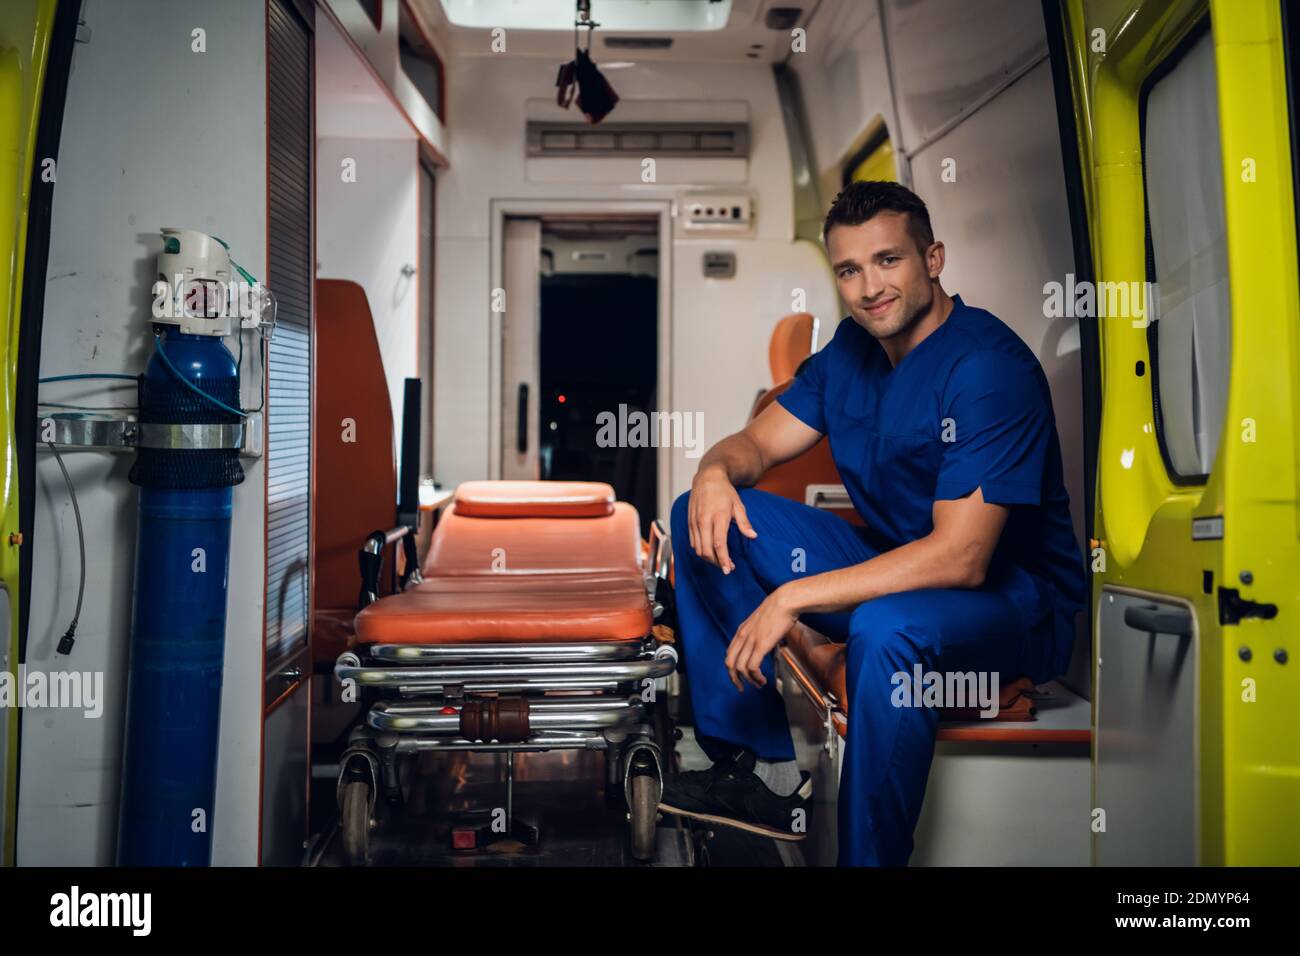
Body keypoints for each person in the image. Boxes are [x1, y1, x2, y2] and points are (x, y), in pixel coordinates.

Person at [657, 180, 1087, 866]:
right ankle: (762, 775)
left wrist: (790, 599)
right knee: (702, 515)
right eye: (849, 270)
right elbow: (755, 446)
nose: (868, 288)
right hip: (899, 565)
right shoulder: (849, 355)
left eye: (889, 261)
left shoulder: (986, 368)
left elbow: (963, 559)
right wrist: (712, 471)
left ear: (934, 258)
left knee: (885, 630)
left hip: (1010, 602)